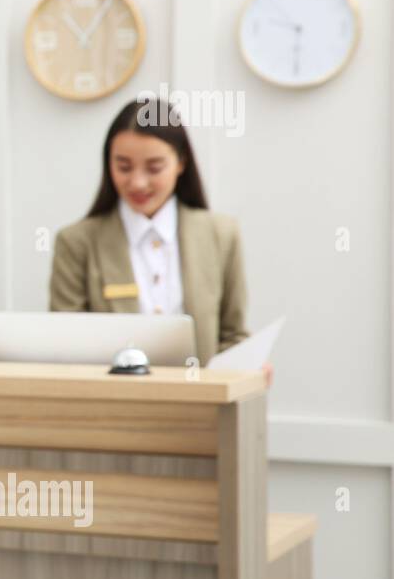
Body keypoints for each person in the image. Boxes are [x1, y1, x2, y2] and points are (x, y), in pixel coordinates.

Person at [49, 97, 271, 382]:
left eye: (154, 168)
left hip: (200, 410)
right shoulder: (76, 242)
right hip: (109, 409)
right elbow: (66, 345)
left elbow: (232, 335)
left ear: (181, 163)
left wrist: (248, 365)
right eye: (124, 167)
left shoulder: (221, 234)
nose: (138, 183)